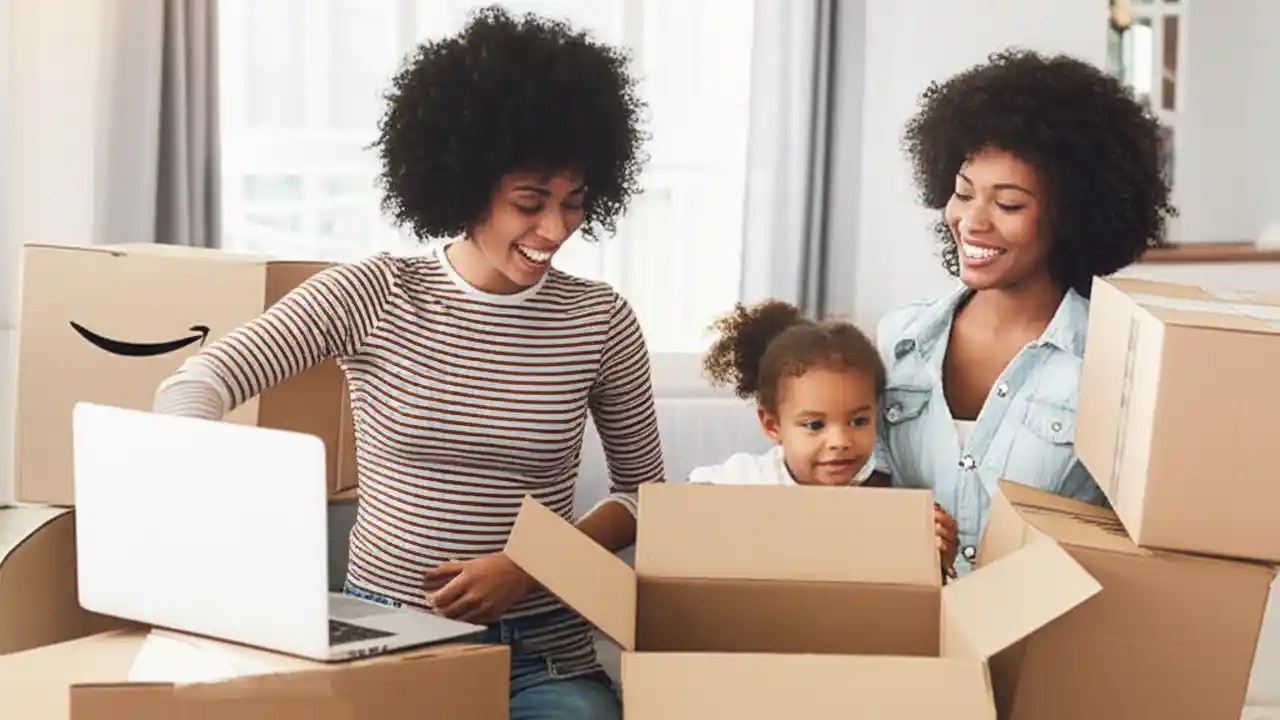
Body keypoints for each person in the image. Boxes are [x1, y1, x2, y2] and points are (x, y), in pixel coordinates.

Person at [153, 7, 660, 718]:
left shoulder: (599, 319)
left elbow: (644, 496)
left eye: (574, 202)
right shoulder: (375, 291)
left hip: (541, 653)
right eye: (529, 202)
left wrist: (528, 566)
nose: (554, 229)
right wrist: (215, 487)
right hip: (389, 636)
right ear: (464, 183)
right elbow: (200, 381)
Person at [874, 49, 1176, 575]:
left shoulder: (1111, 363)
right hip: (905, 639)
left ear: (1070, 216)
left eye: (1008, 204)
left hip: (1046, 644)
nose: (972, 221)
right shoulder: (900, 338)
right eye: (963, 194)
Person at [689, 300, 958, 571]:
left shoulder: (885, 500)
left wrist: (937, 558)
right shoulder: (747, 479)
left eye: (859, 421)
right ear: (772, 425)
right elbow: (684, 508)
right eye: (815, 425)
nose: (840, 442)